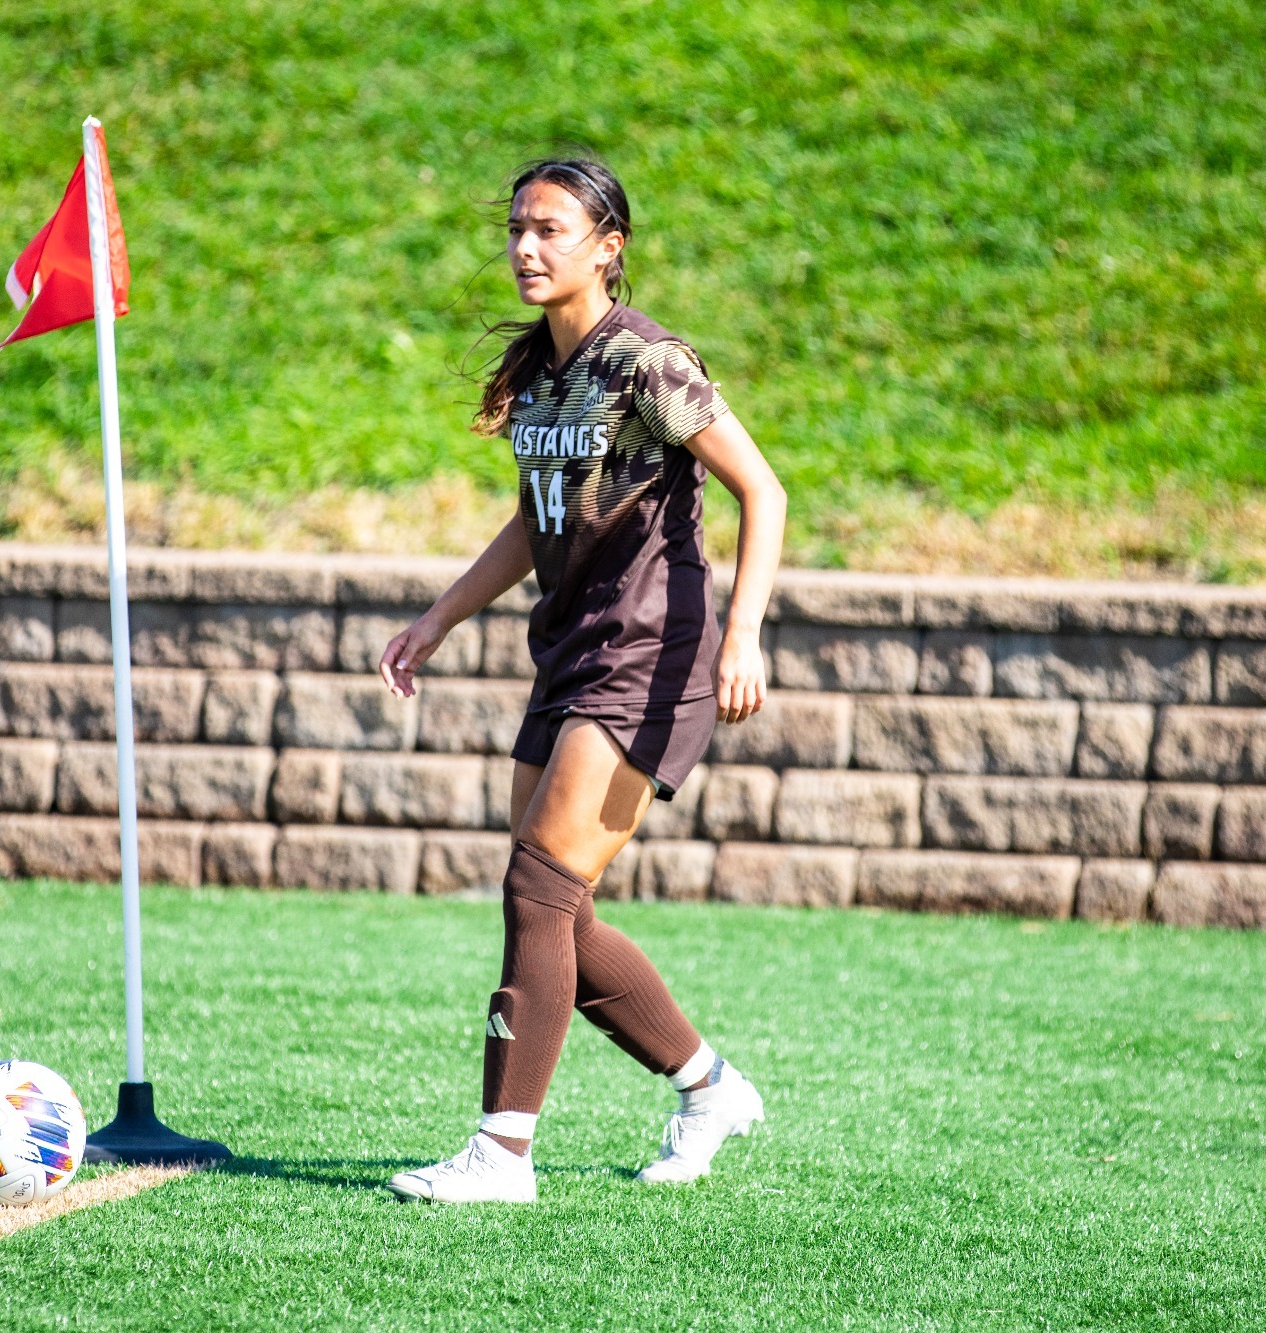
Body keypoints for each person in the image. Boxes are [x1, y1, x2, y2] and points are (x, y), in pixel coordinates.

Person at [379, 158, 788, 1203]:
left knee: (537, 886)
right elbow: (534, 520)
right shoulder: (540, 370)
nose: (525, 246)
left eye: (549, 229)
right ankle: (707, 1087)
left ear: (605, 247)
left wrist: (743, 636)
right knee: (557, 905)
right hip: (569, 650)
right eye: (517, 227)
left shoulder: (647, 361)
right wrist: (438, 617)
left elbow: (763, 491)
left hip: (652, 654)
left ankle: (499, 1153)